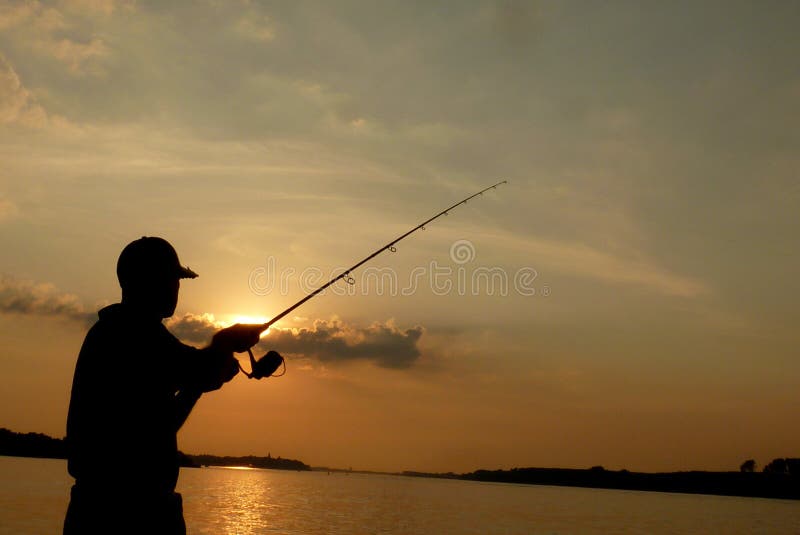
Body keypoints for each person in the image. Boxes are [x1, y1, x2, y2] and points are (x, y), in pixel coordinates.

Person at [64, 237, 264, 534]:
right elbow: (193, 370)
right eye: (172, 279)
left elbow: (161, 418)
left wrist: (207, 371)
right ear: (150, 280)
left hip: (100, 508)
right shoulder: (132, 333)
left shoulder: (114, 330)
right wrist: (222, 345)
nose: (176, 288)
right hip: (130, 511)